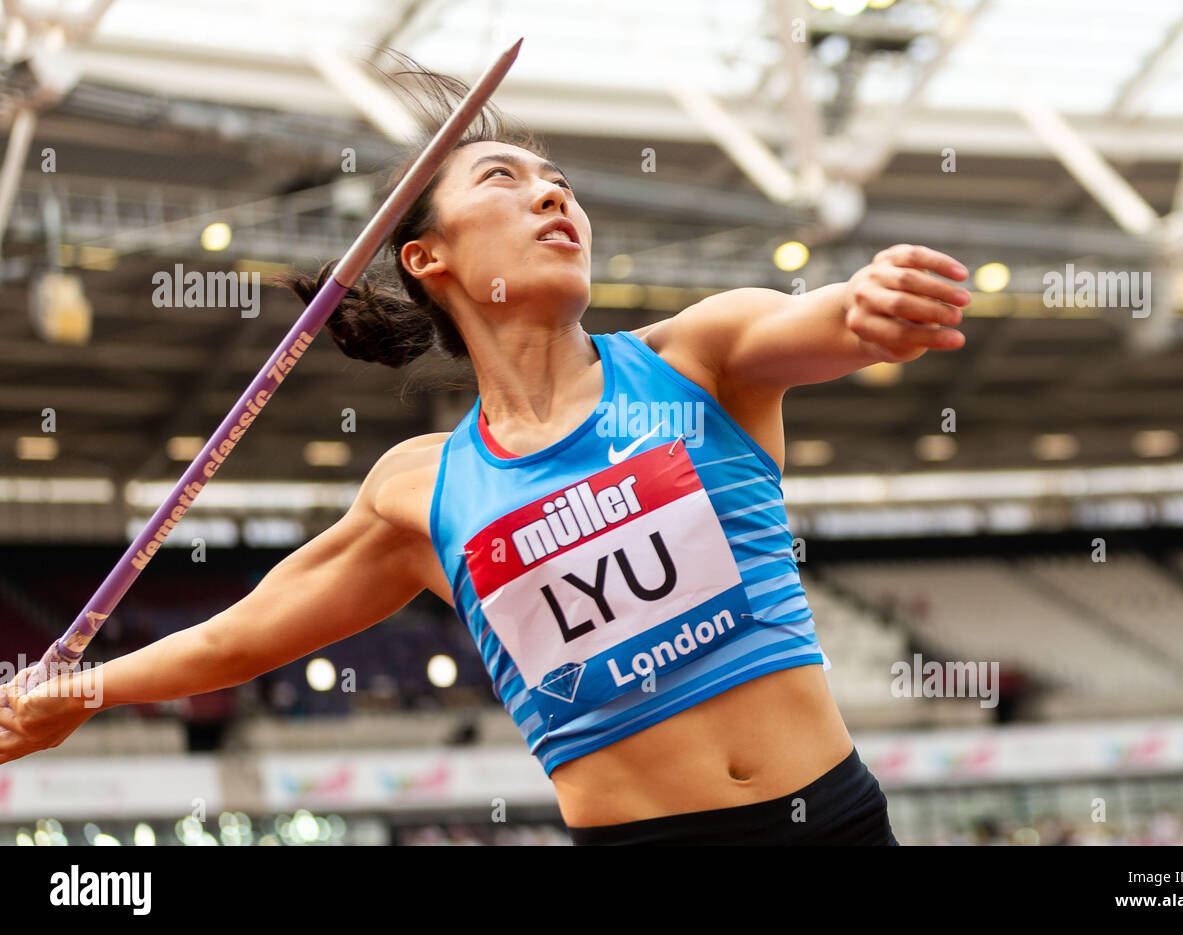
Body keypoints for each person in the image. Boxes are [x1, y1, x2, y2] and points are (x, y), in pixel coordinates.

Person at [0, 63, 969, 845]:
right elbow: (237, 637)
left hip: (830, 821)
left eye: (561, 185)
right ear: (429, 258)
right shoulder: (421, 491)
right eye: (503, 179)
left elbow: (828, 320)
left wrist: (873, 299)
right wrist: (84, 686)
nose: (551, 195)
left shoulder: (700, 357)